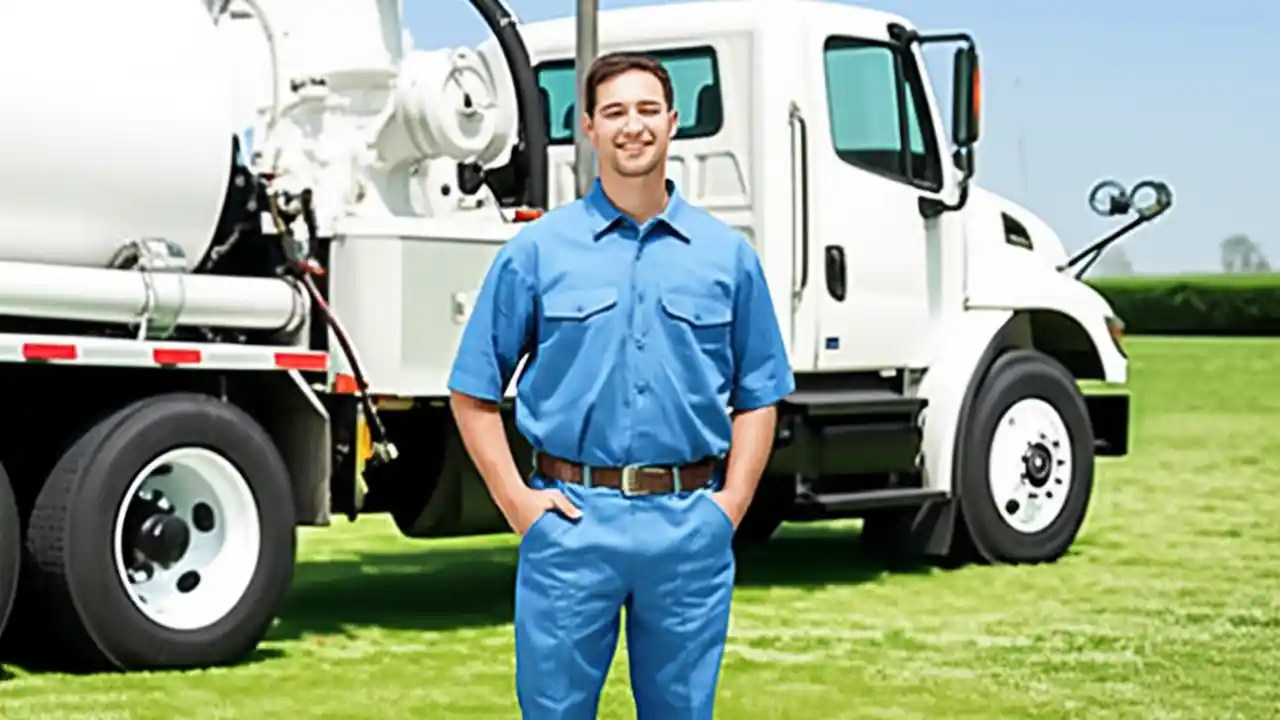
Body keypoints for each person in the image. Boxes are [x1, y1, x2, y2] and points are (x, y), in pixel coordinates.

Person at [447, 51, 795, 720]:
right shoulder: (537, 252)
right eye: (613, 113)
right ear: (588, 128)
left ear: (671, 123)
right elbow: (472, 391)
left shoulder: (727, 257)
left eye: (644, 111)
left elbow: (759, 393)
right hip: (571, 524)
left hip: (690, 527)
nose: (630, 127)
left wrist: (730, 506)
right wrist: (519, 503)